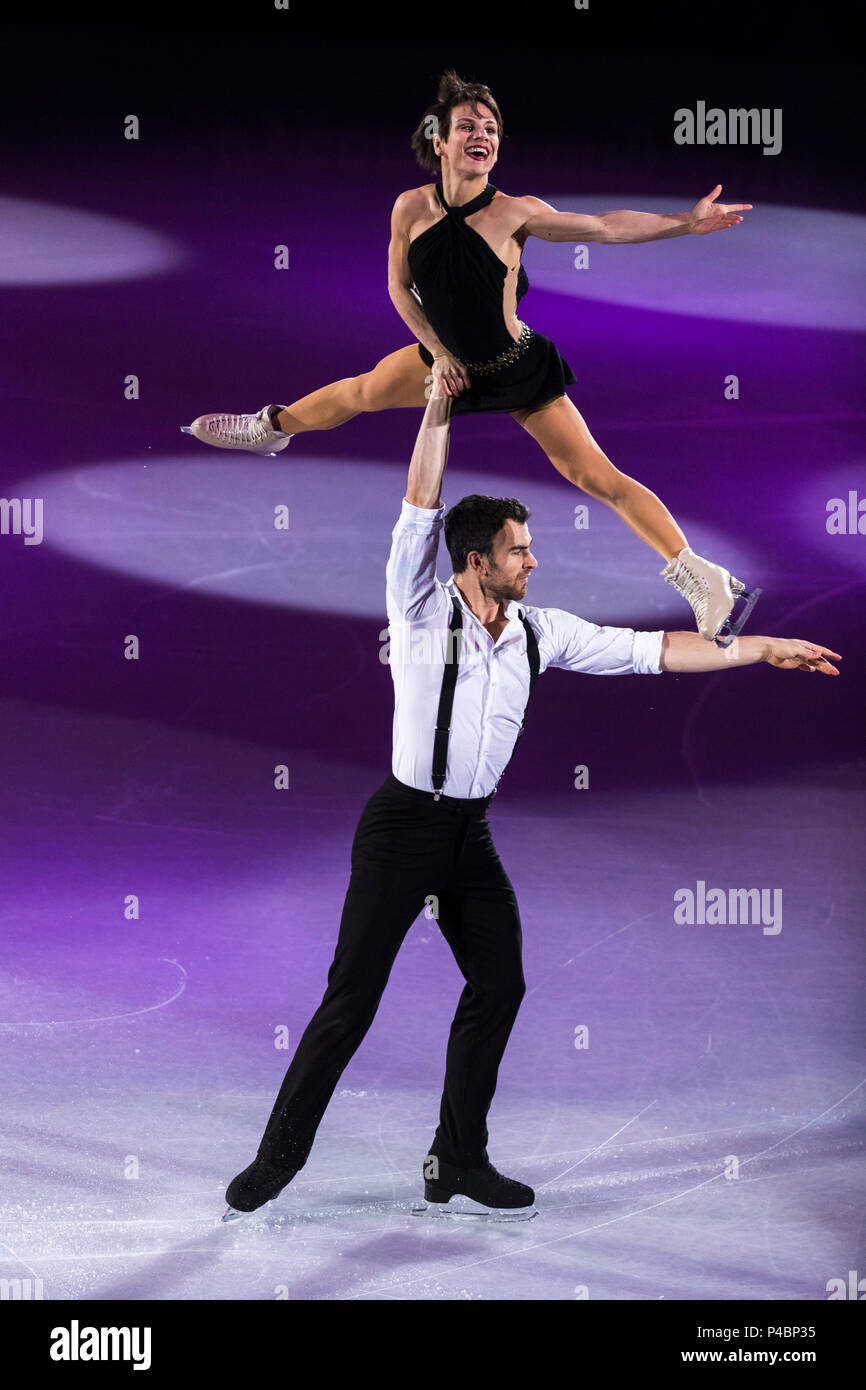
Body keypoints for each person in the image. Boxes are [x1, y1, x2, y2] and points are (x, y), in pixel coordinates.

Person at [221, 382, 840, 1223]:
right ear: (476, 561)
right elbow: (419, 506)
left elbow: (650, 651)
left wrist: (759, 647)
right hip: (402, 828)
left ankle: (455, 1159)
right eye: (519, 550)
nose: (533, 560)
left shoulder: (541, 630)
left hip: (468, 837)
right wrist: (437, 406)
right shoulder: (417, 608)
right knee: (350, 1004)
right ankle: (276, 1159)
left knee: (499, 986)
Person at [184, 70, 760, 647]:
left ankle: (703, 579)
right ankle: (270, 428)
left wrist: (686, 223)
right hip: (445, 361)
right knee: (360, 391)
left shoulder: (516, 212)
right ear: (439, 140)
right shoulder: (409, 208)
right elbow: (398, 289)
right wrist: (436, 354)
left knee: (595, 475)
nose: (481, 134)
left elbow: (606, 226)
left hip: (514, 365)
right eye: (467, 126)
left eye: (490, 128)